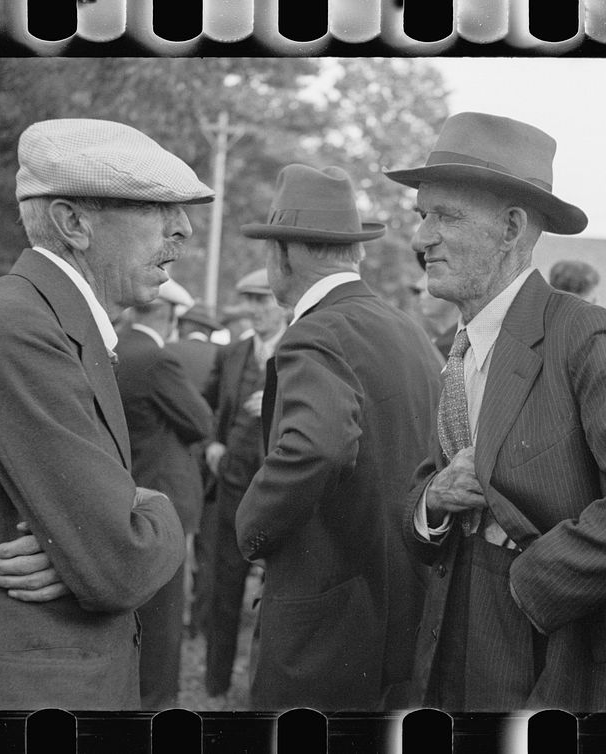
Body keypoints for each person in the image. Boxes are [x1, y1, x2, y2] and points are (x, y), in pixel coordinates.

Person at [384, 111, 606, 711]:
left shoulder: (581, 334)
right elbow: (430, 488)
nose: (420, 237)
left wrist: (539, 583)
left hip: (553, 651)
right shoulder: (460, 345)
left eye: (445, 216)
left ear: (511, 228)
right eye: (420, 215)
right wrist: (433, 501)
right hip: (453, 634)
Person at [0, 118, 212, 710]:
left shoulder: (45, 321)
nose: (184, 229)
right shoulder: (20, 331)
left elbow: (103, 549)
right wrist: (155, 511)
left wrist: (92, 539)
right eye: (156, 209)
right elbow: (119, 559)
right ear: (73, 223)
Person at [234, 164, 441, 711]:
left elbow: (317, 447)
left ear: (284, 254)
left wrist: (252, 527)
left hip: (325, 628)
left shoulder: (314, 333)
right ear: (355, 252)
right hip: (403, 615)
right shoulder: (408, 331)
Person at [115, 277, 216, 709]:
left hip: (124, 487)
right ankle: (157, 701)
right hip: (163, 500)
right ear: (171, 315)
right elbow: (200, 421)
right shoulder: (157, 358)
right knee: (164, 616)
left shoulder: (115, 349)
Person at [200, 268, 288, 698]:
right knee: (225, 585)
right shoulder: (233, 353)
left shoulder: (299, 350)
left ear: (283, 304)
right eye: (249, 301)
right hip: (233, 483)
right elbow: (209, 403)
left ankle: (263, 687)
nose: (254, 310)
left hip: (279, 487)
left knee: (275, 590)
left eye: (263, 300)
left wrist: (277, 402)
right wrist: (213, 443)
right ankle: (215, 685)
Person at [167, 301, 224, 639]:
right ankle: (202, 619)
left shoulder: (168, 351)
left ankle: (180, 613)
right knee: (211, 541)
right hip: (214, 456)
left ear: (183, 325)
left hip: (180, 457)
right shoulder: (221, 354)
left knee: (180, 537)